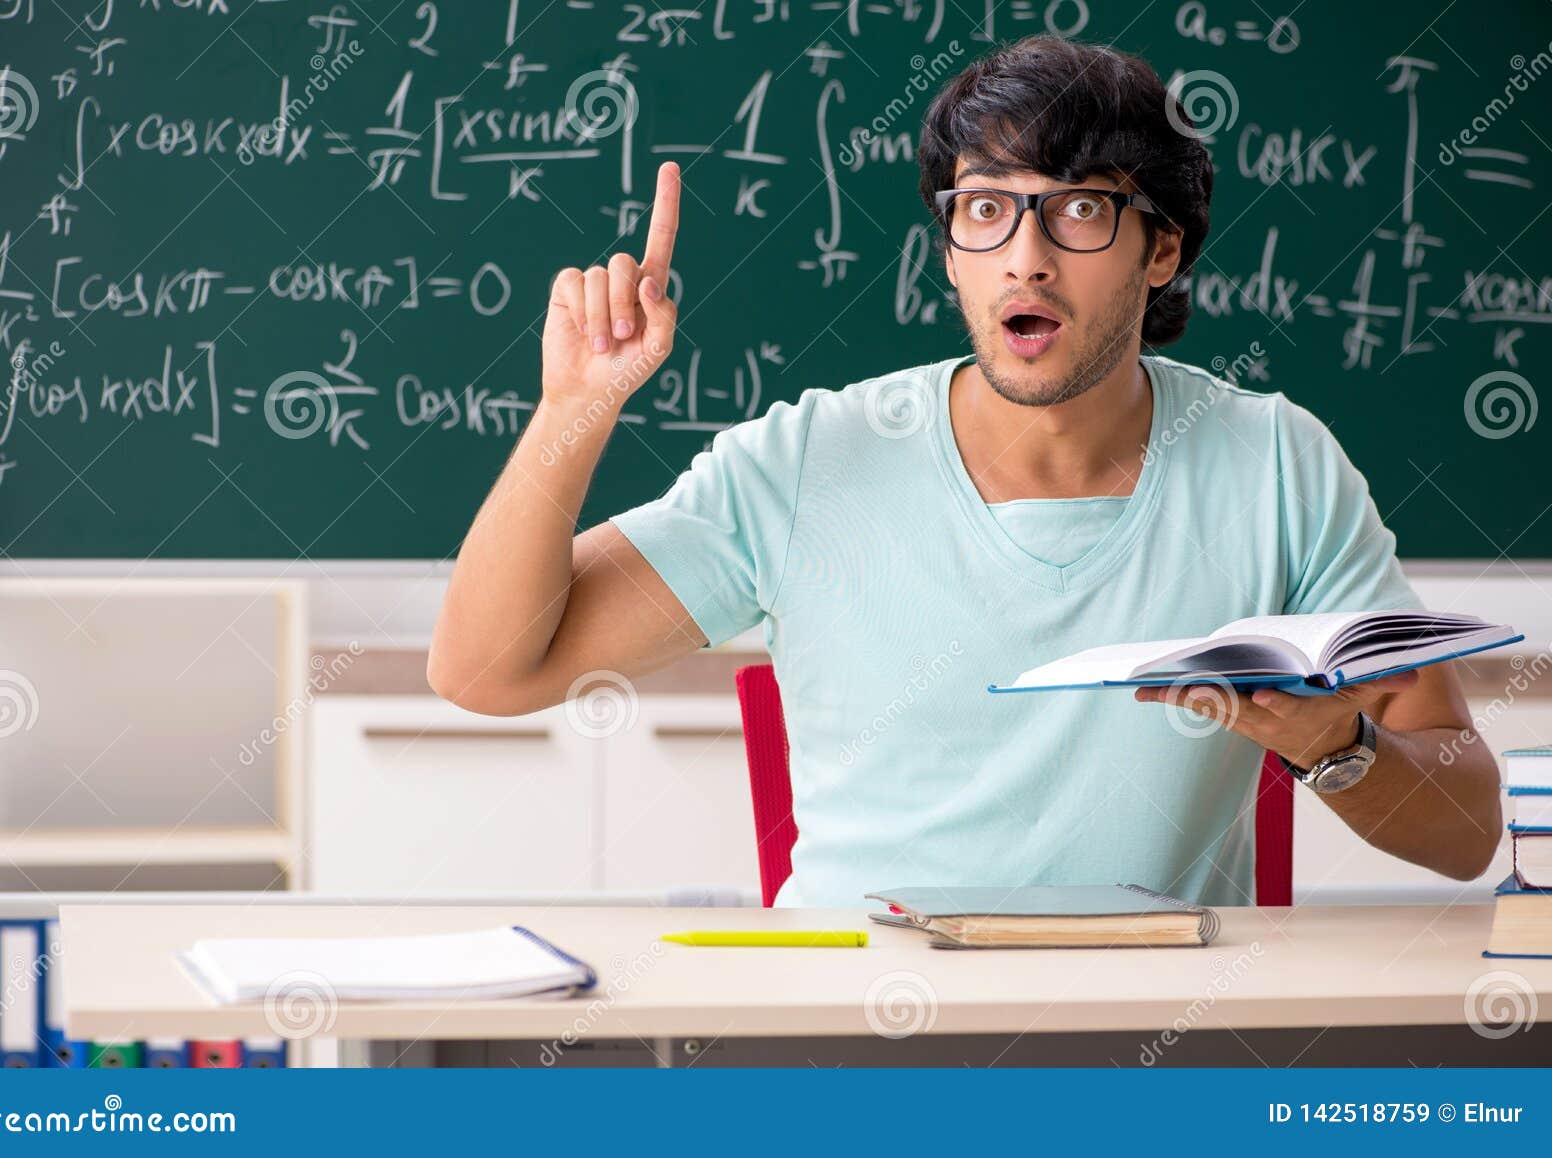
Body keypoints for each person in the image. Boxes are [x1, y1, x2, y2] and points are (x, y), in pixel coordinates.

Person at [428, 35, 1500, 907]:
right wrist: (574, 413)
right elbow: (485, 672)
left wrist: (1336, 747)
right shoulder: (808, 457)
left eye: (1079, 208)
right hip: (854, 1038)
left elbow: (1464, 834)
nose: (1023, 256)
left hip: (1142, 1050)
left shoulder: (1276, 464)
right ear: (949, 246)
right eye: (985, 209)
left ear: (1161, 249)